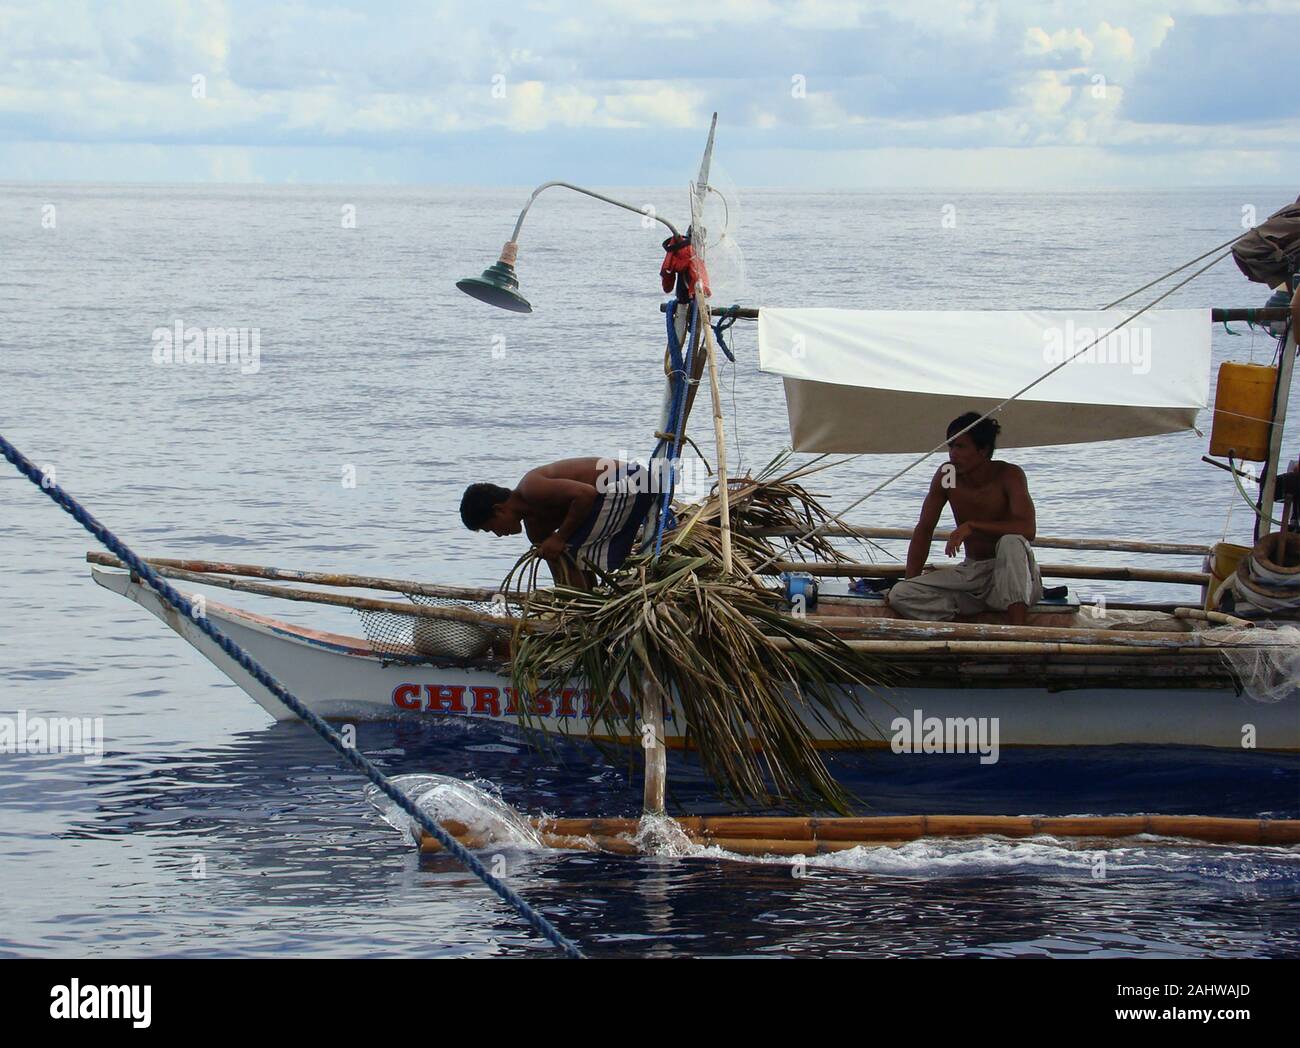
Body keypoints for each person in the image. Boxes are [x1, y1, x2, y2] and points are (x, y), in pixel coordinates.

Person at [887, 413, 1042, 624]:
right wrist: (912, 580)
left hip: (1012, 574)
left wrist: (973, 526)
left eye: (960, 447)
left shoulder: (1007, 474)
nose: (952, 454)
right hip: (973, 574)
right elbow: (925, 529)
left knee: (1011, 541)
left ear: (983, 450)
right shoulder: (949, 475)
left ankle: (1019, 633)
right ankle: (961, 624)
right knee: (901, 593)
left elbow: (1027, 529)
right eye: (950, 446)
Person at [459, 457, 656, 588]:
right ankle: (584, 606)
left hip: (633, 481)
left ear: (499, 509)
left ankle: (583, 612)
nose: (498, 534)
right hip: (618, 496)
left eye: (491, 528)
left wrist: (561, 537)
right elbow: (560, 562)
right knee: (569, 555)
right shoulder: (535, 529)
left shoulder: (531, 488)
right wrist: (563, 592)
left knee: (570, 549)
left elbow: (586, 494)